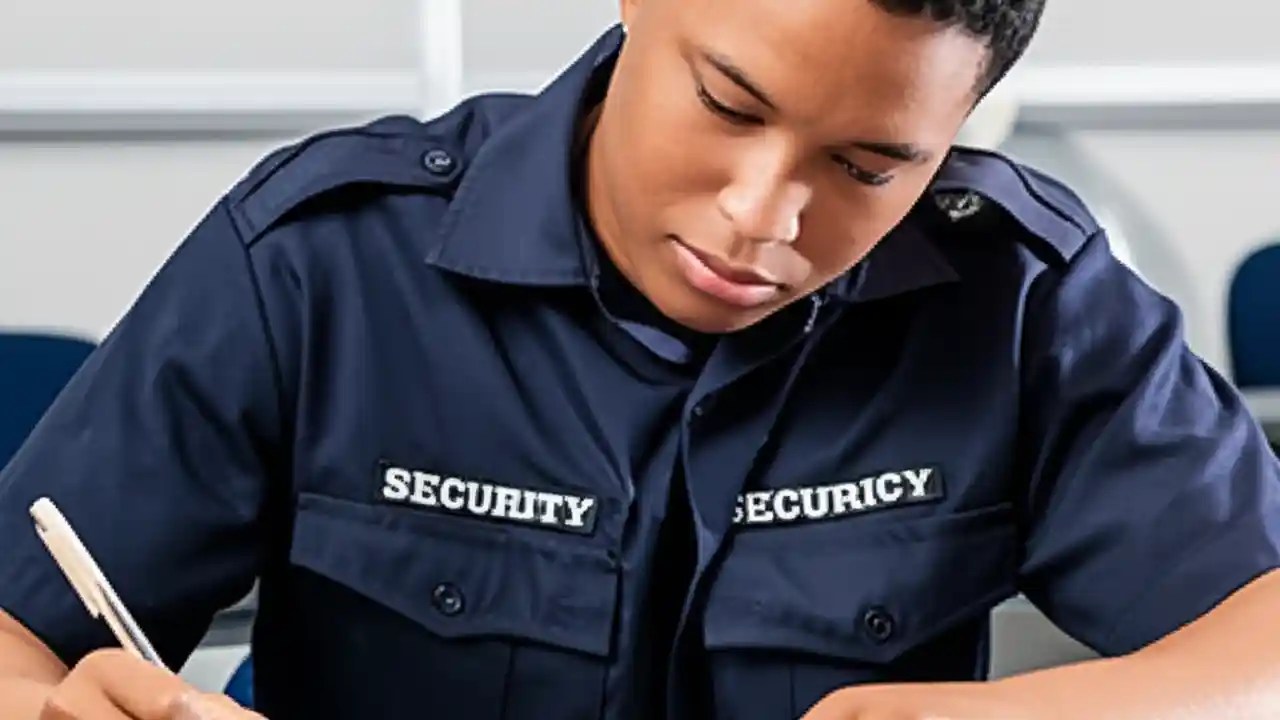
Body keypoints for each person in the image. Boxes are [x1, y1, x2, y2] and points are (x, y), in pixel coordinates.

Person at [2, 0, 1279, 718]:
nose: (761, 218)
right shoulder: (315, 263)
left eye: (866, 167)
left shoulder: (1021, 301)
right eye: (727, 105)